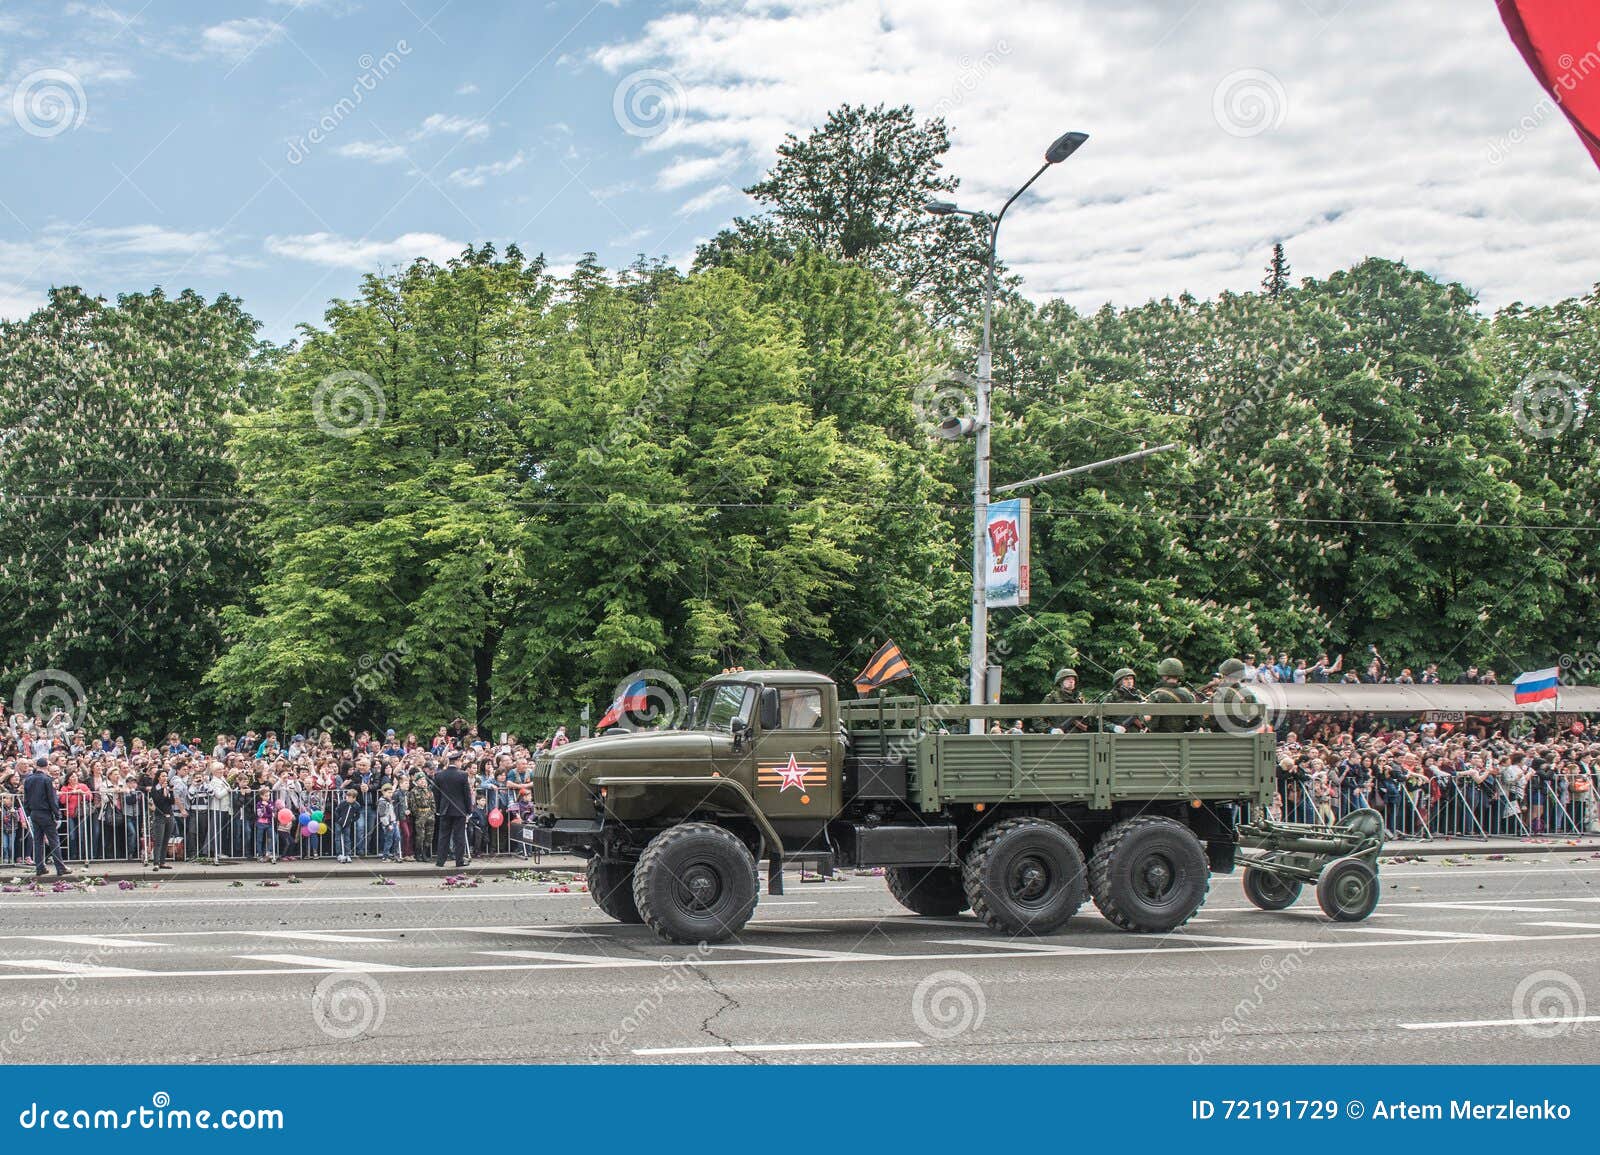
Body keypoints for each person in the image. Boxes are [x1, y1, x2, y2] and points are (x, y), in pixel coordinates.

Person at [23, 757, 67, 877]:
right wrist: (57, 815)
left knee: (38, 842)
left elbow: (25, 799)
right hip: (45, 813)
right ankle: (60, 867)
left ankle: (40, 867)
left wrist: (27, 813)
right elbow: (52, 799)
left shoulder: (28, 779)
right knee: (54, 841)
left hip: (34, 813)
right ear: (47, 767)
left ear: (37, 766)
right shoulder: (47, 779)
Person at [432, 753, 474, 869]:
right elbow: (467, 795)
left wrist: (438, 808)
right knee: (459, 836)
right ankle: (459, 861)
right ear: (457, 761)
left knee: (443, 836)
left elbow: (436, 794)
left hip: (444, 810)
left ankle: (440, 861)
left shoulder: (439, 775)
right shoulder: (462, 775)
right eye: (460, 761)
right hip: (459, 810)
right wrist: (469, 810)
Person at [1145, 658, 1199, 733]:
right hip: (1181, 737)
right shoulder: (1188, 694)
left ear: (1164, 675)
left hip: (1159, 738)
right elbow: (1197, 721)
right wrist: (1185, 729)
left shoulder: (1157, 695)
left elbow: (1150, 722)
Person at [1038, 668, 1089, 734]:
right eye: (1068, 679)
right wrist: (1051, 730)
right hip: (1057, 736)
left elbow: (1087, 722)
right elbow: (1037, 717)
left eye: (1073, 679)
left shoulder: (1079, 698)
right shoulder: (1052, 697)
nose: (1071, 681)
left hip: (1078, 736)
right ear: (1060, 682)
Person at [1098, 668, 1145, 733]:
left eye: (1131, 678)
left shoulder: (1138, 695)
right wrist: (1113, 727)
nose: (1129, 681)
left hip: (1138, 735)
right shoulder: (1113, 696)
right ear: (1119, 682)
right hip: (1118, 736)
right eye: (1126, 679)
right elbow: (1100, 719)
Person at [409, 766, 436, 862]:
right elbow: (413, 805)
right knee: (420, 836)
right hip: (420, 814)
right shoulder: (413, 791)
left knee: (429, 836)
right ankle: (418, 853)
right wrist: (418, 815)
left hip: (429, 815)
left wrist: (432, 813)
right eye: (420, 780)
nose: (423, 782)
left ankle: (425, 853)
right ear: (416, 782)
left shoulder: (429, 790)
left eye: (424, 780)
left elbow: (433, 803)